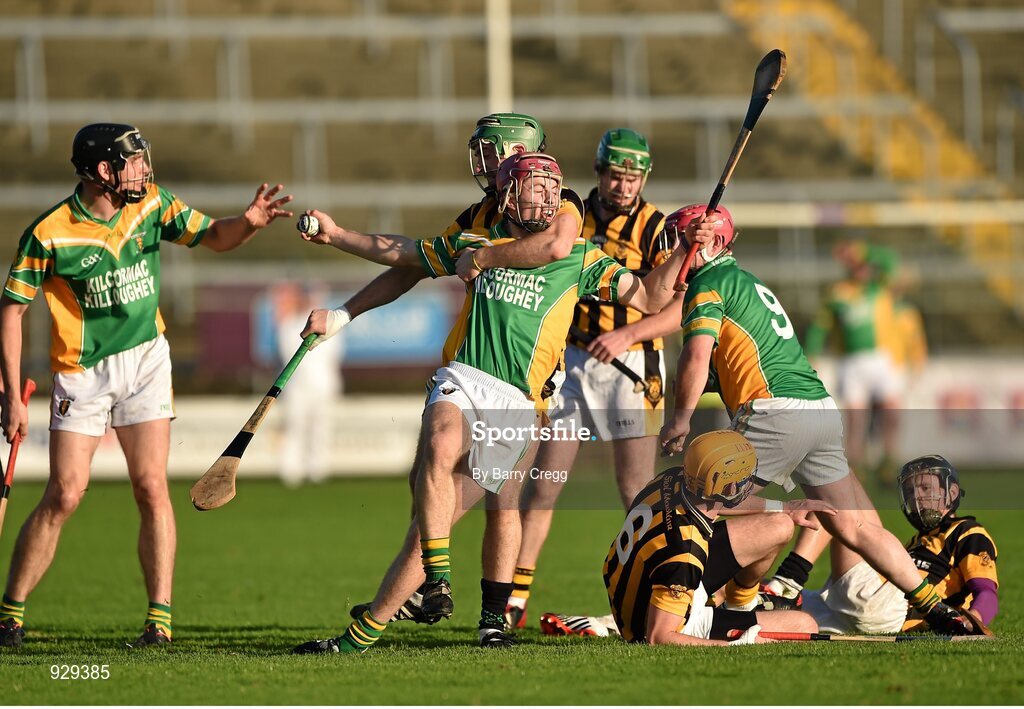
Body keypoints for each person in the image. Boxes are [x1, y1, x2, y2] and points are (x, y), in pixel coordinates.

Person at [291, 151, 690, 653]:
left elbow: (651, 298)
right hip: (464, 375)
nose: (546, 197)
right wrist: (339, 235)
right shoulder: (475, 240)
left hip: (518, 401)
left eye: (552, 189)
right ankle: (438, 582)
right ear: (506, 194)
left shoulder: (578, 254)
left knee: (461, 515)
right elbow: (407, 254)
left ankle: (371, 633)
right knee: (438, 444)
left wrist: (684, 250)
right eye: (534, 188)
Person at [0, 123, 293, 649]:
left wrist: (248, 223)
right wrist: (7, 394)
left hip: (146, 361)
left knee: (151, 486)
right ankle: (10, 614)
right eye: (130, 162)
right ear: (102, 172)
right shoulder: (49, 233)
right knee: (65, 494)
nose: (143, 169)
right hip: (81, 372)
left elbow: (216, 237)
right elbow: (12, 309)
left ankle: (159, 621)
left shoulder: (152, 204)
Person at [312, 113, 588, 630]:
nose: (481, 164)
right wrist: (341, 263)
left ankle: (447, 612)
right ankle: (429, 593)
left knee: (490, 503)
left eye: (491, 152)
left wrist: (485, 255)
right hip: (472, 368)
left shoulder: (560, 201)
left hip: (526, 380)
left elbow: (556, 246)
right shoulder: (483, 212)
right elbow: (412, 258)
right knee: (427, 482)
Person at [658, 206, 973, 636]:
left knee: (701, 504)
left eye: (678, 242)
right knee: (852, 524)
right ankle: (938, 611)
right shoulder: (746, 281)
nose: (671, 253)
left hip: (775, 412)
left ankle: (681, 610)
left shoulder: (709, 283)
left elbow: (695, 356)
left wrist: (679, 421)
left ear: (709, 243)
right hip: (819, 409)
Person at [506, 128, 681, 630]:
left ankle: (657, 593)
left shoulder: (657, 228)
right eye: (616, 175)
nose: (624, 186)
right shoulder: (571, 212)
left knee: (635, 490)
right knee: (546, 482)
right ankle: (516, 595)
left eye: (633, 177)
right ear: (599, 172)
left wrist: (628, 336)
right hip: (575, 362)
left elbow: (675, 310)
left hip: (635, 365)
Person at [600, 430, 819, 645]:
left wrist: (784, 508)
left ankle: (741, 605)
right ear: (731, 487)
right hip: (651, 620)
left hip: (640, 581)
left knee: (779, 526)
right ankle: (715, 609)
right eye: (746, 478)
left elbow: (719, 501)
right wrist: (736, 645)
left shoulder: (671, 478)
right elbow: (659, 636)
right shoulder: (685, 554)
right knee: (805, 625)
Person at [764, 456, 998, 636]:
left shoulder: (968, 531)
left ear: (952, 492)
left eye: (925, 489)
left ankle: (788, 581)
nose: (917, 497)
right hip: (858, 610)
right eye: (911, 491)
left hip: (892, 608)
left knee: (838, 481)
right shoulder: (918, 541)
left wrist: (973, 620)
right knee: (757, 599)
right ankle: (739, 610)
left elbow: (986, 590)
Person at [804, 241, 901, 482]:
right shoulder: (838, 292)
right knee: (856, 418)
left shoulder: (878, 288)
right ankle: (855, 467)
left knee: (891, 413)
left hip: (880, 357)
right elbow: (820, 326)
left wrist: (864, 251)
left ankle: (888, 460)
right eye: (858, 266)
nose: (863, 270)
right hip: (851, 361)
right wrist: (810, 353)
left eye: (865, 266)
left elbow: (890, 260)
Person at [273, 282, 342, 487]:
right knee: (294, 426)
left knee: (321, 427)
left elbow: (334, 356)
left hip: (323, 384)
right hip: (297, 386)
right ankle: (290, 470)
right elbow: (286, 354)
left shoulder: (332, 328)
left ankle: (317, 469)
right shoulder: (290, 325)